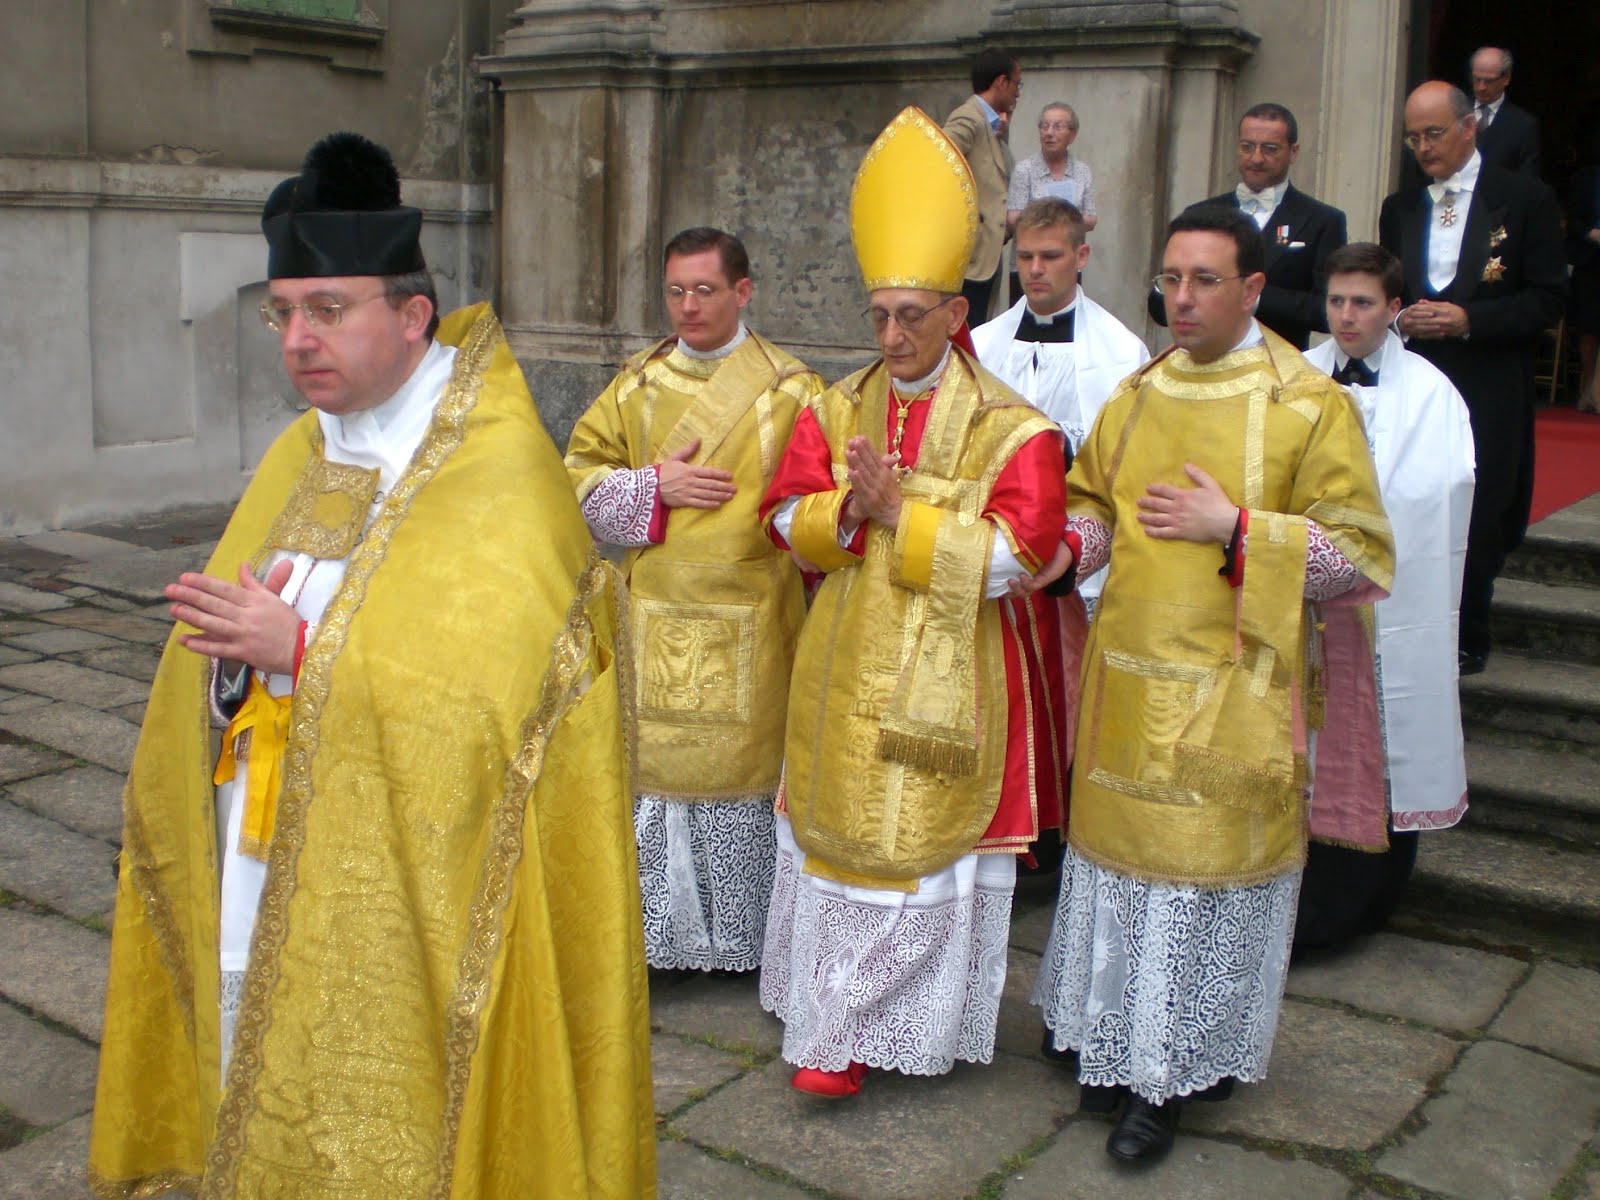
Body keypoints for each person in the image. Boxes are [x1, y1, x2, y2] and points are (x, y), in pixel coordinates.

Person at [89, 133, 654, 1199]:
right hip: (263, 828)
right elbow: (235, 634)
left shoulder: (500, 469)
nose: (298, 340)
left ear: (410, 313)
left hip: (430, 878)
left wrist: (303, 654)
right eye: (282, 313)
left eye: (327, 310)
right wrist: (229, 665)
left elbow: (499, 714)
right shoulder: (312, 444)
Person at [1029, 205, 1394, 1163]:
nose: (1179, 300)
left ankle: (1172, 1073)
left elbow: (1358, 561)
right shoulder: (1138, 393)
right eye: (1171, 279)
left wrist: (1236, 528)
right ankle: (1109, 1042)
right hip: (1126, 677)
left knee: (1199, 888)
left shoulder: (1306, 404)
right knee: (1120, 873)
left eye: (1203, 281)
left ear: (1255, 289)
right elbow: (1094, 504)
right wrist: (1065, 551)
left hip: (1234, 695)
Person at [757, 106, 1069, 1100]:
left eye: (911, 317)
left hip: (949, 669)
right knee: (840, 838)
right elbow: (779, 517)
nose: (890, 336)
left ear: (953, 316)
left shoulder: (1013, 428)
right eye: (879, 315)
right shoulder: (832, 406)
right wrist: (847, 511)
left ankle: (876, 1030)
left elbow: (1028, 551)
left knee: (922, 847)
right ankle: (830, 1022)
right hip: (844, 655)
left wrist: (903, 518)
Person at [565, 227, 823, 973]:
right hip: (658, 610)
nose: (687, 306)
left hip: (754, 610)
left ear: (743, 291)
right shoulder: (639, 385)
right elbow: (575, 477)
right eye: (675, 291)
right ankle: (659, 941)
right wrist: (652, 487)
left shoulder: (791, 389)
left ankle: (741, 941)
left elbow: (814, 498)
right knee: (663, 777)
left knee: (738, 772)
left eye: (705, 290)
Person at [1298, 243, 1476, 948]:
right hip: (1310, 600)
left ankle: (1366, 903)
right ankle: (1300, 901)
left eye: (1363, 302)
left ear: (1394, 309)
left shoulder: (1432, 392)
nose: (1346, 316)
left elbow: (1444, 488)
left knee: (1386, 737)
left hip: (1388, 607)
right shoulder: (1297, 378)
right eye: (1337, 300)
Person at [1379, 81, 1566, 675]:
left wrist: (1469, 319)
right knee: (1410, 493)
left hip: (1488, 378)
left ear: (1469, 127)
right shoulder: (1401, 207)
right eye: (1413, 137)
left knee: (1479, 499)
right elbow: (1388, 289)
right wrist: (1399, 314)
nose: (1423, 148)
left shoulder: (1525, 198)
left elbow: (1547, 299)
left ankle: (1468, 628)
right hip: (1415, 377)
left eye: (1433, 133)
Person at [1148, 103, 1347, 349]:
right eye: (1247, 146)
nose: (1256, 158)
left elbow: (1327, 311)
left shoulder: (1323, 220)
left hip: (1279, 368)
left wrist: (1250, 295)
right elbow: (1158, 307)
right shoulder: (1200, 214)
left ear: (1293, 152)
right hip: (1203, 361)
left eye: (1270, 149)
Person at [945, 48, 1023, 324]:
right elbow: (939, 161)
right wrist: (967, 220)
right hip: (971, 256)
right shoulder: (968, 118)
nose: (1017, 94)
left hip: (987, 254)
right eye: (1016, 84)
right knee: (967, 334)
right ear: (1001, 82)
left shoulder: (990, 125)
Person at [1007, 103, 1098, 232]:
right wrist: (1054, 220)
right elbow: (1013, 218)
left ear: (1072, 135)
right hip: (1034, 247)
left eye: (1058, 127)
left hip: (1069, 248)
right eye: (1045, 126)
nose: (1049, 133)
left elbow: (1091, 218)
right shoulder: (1025, 170)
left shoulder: (1082, 171)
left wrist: (1058, 221)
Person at [1468, 46, 1540, 177]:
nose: (1481, 87)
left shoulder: (1523, 125)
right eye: (1477, 79)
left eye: (1489, 81)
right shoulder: (1455, 111)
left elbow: (1527, 181)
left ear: (1506, 78)